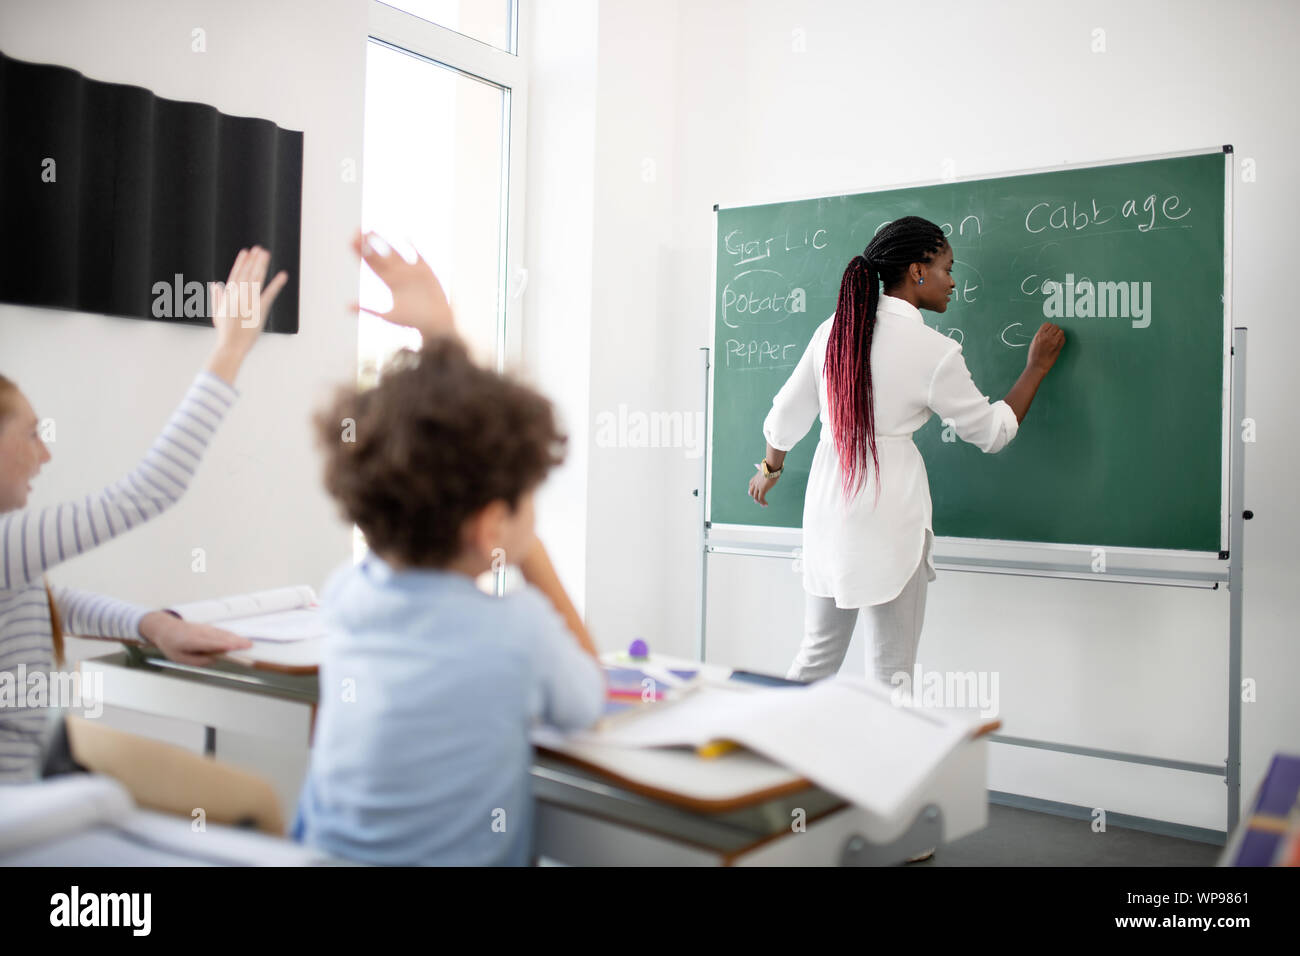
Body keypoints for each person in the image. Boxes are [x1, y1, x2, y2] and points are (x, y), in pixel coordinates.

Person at [293, 233, 604, 866]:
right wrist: (531, 558)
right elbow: (587, 700)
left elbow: (427, 443)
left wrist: (442, 340)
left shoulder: (348, 595)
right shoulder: (519, 629)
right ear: (493, 527)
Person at [0, 248, 287, 783]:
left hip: (36, 777)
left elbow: (43, 601)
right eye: (33, 433)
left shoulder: (11, 559)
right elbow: (149, 491)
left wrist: (152, 624)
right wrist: (229, 350)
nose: (46, 454)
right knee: (250, 800)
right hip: (18, 811)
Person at [748, 215, 1064, 689]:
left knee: (814, 663)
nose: (952, 281)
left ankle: (771, 753)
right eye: (946, 268)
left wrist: (771, 469)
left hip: (829, 518)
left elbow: (786, 415)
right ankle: (882, 762)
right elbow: (993, 432)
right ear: (918, 271)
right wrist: (1035, 369)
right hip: (889, 521)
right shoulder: (933, 351)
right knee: (891, 680)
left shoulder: (834, 330)